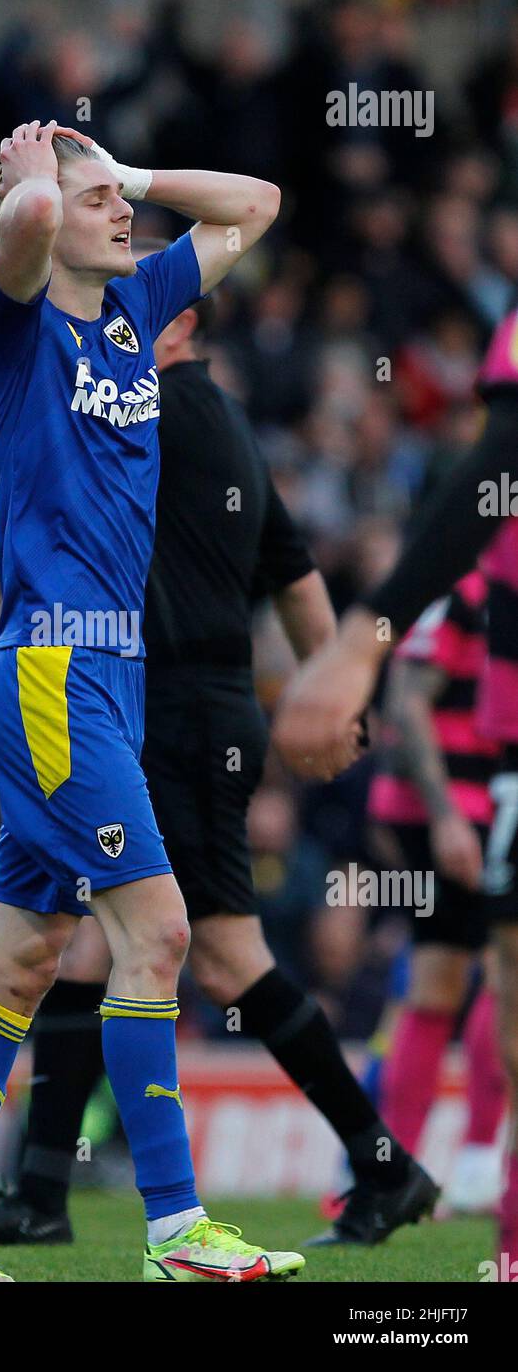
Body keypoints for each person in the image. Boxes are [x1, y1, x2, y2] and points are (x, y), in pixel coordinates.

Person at [0, 235, 438, 1250]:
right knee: (77, 944)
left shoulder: (146, 405)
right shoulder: (219, 423)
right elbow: (295, 570)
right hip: (145, 699)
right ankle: (25, 1202)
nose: (116, 320)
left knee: (187, 948)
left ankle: (331, 1171)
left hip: (157, 704)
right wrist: (334, 687)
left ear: (175, 326)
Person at [272, 304, 518, 1266]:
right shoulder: (467, 558)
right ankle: (414, 1174)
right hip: (452, 797)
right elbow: (411, 696)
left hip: (468, 789)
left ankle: (435, 1169)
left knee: (462, 977)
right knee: (455, 977)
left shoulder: (468, 545)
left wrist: (356, 642)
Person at [367, 573, 505, 1205]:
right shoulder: (465, 593)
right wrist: (447, 815)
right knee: (490, 972)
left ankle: (399, 1167)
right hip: (459, 813)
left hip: (463, 812)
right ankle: (469, 1158)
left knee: (440, 980)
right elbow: (406, 702)